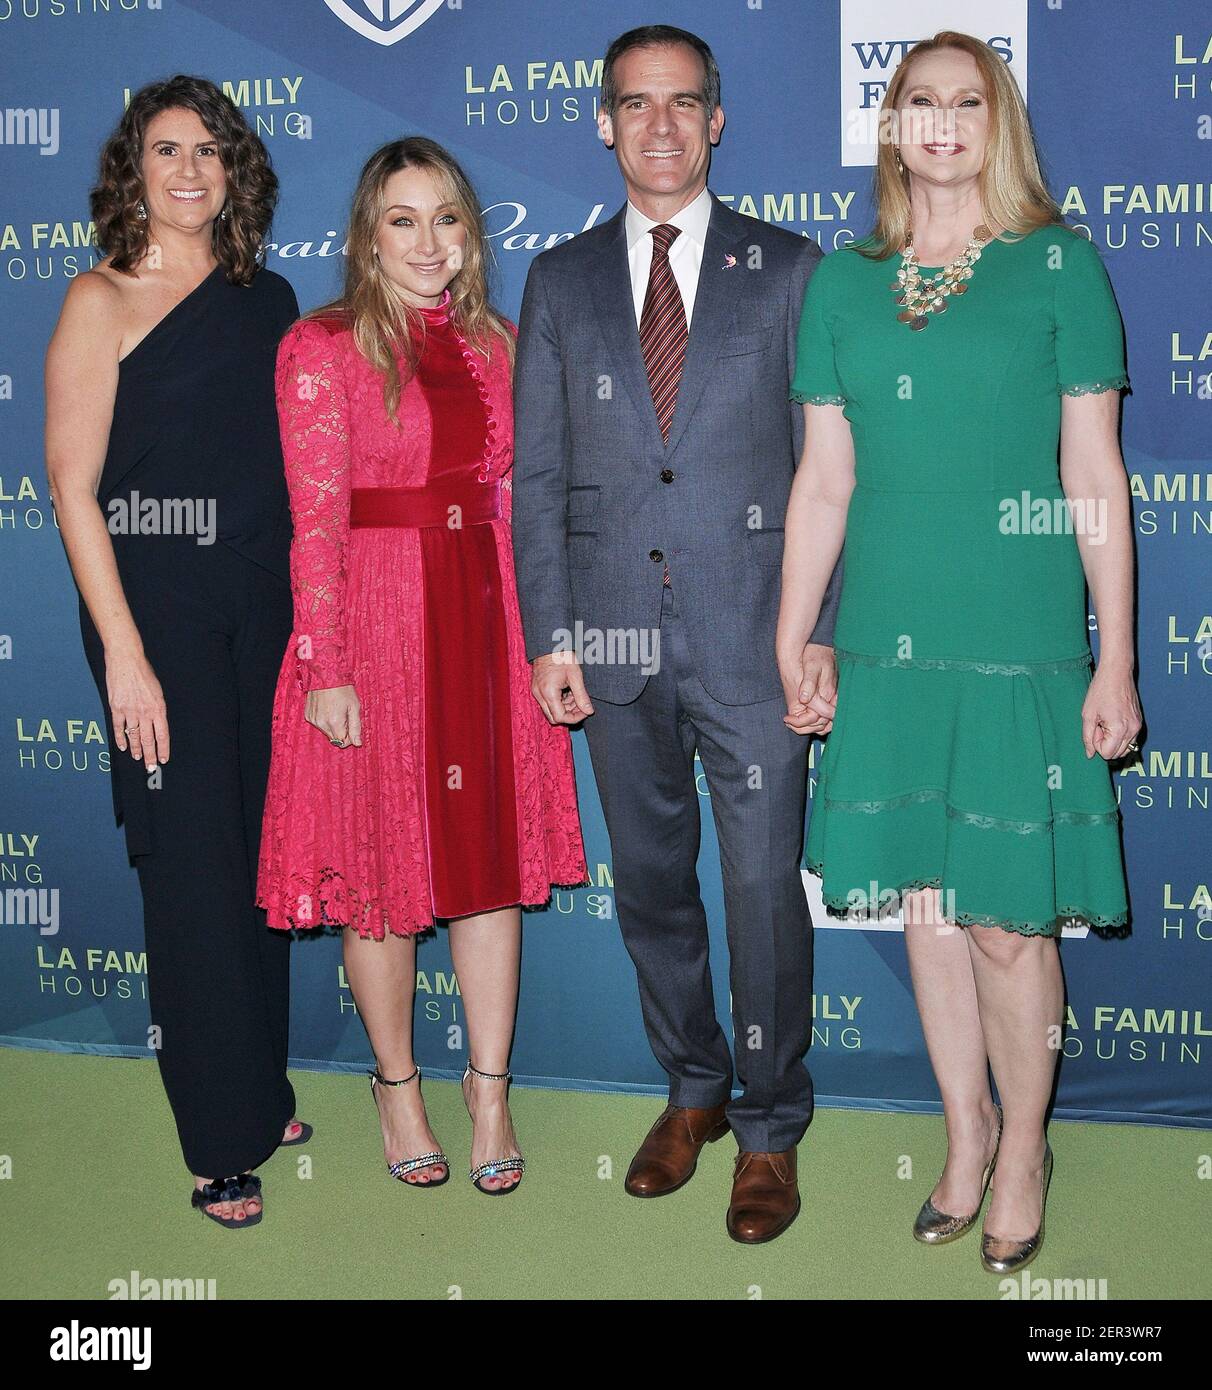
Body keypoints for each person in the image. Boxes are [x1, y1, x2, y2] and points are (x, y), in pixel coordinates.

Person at [778, 31, 1141, 1273]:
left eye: (965, 101)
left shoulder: (1057, 266)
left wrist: (1117, 657)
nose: (940, 121)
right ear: (891, 126)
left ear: (1000, 122)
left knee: (1006, 927)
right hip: (886, 644)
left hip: (1021, 644)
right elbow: (824, 483)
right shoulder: (843, 281)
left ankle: (1028, 1148)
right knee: (929, 911)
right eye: (917, 101)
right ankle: (967, 1133)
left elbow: (1094, 475)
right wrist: (796, 635)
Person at [512, 25, 842, 1244]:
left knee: (762, 892)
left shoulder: (791, 269)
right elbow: (537, 477)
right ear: (603, 121)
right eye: (633, 104)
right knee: (651, 887)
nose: (657, 124)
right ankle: (691, 1089)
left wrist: (823, 636)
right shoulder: (557, 280)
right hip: (610, 642)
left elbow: (829, 473)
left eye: (682, 103)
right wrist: (551, 631)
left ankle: (768, 1124)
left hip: (758, 641)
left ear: (717, 121)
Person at [257, 137, 587, 1196]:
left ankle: (489, 1093)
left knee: (485, 874)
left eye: (448, 217)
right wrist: (328, 663)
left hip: (487, 615)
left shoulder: (501, 343)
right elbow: (314, 524)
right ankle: (397, 1086)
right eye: (403, 219)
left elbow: (529, 505)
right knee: (380, 881)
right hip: (377, 627)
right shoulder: (319, 346)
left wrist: (548, 639)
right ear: (366, 233)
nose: (429, 241)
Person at [46, 76, 307, 1229]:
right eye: (166, 150)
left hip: (268, 606)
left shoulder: (271, 298)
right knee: (194, 872)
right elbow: (71, 490)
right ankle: (218, 1141)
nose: (189, 169)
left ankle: (257, 1086)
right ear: (133, 170)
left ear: (234, 166)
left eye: (209, 148)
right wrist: (127, 658)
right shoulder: (98, 298)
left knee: (260, 858)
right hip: (159, 617)